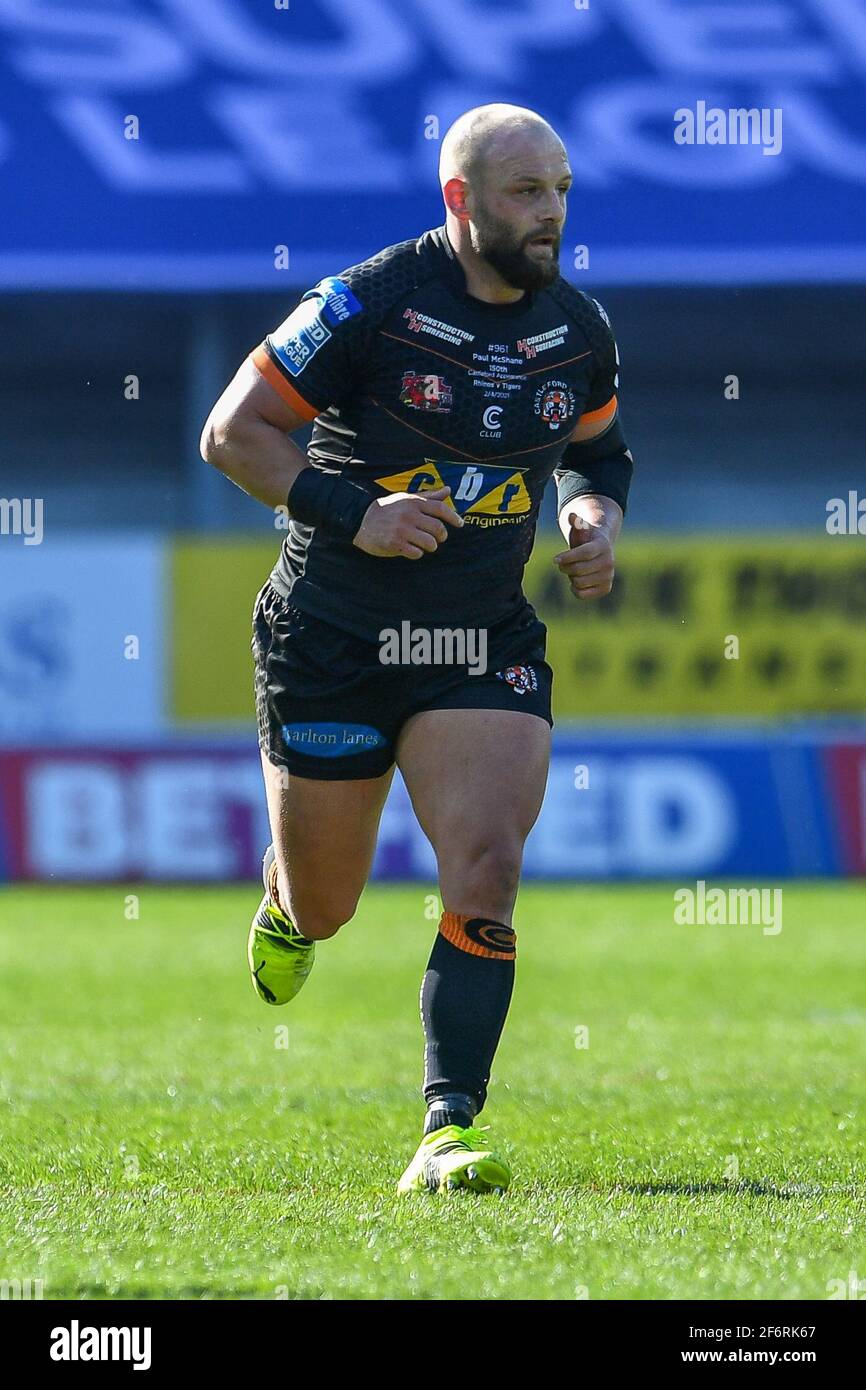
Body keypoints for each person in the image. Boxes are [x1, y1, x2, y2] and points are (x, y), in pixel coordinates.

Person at [200, 103, 634, 1194]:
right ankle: (288, 906)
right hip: (335, 637)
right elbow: (232, 433)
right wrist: (356, 513)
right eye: (527, 194)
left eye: (561, 190)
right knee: (328, 902)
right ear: (461, 200)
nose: (551, 215)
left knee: (484, 869)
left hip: (479, 636)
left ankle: (446, 1128)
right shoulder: (366, 304)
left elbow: (601, 450)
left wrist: (591, 518)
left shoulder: (575, 328)